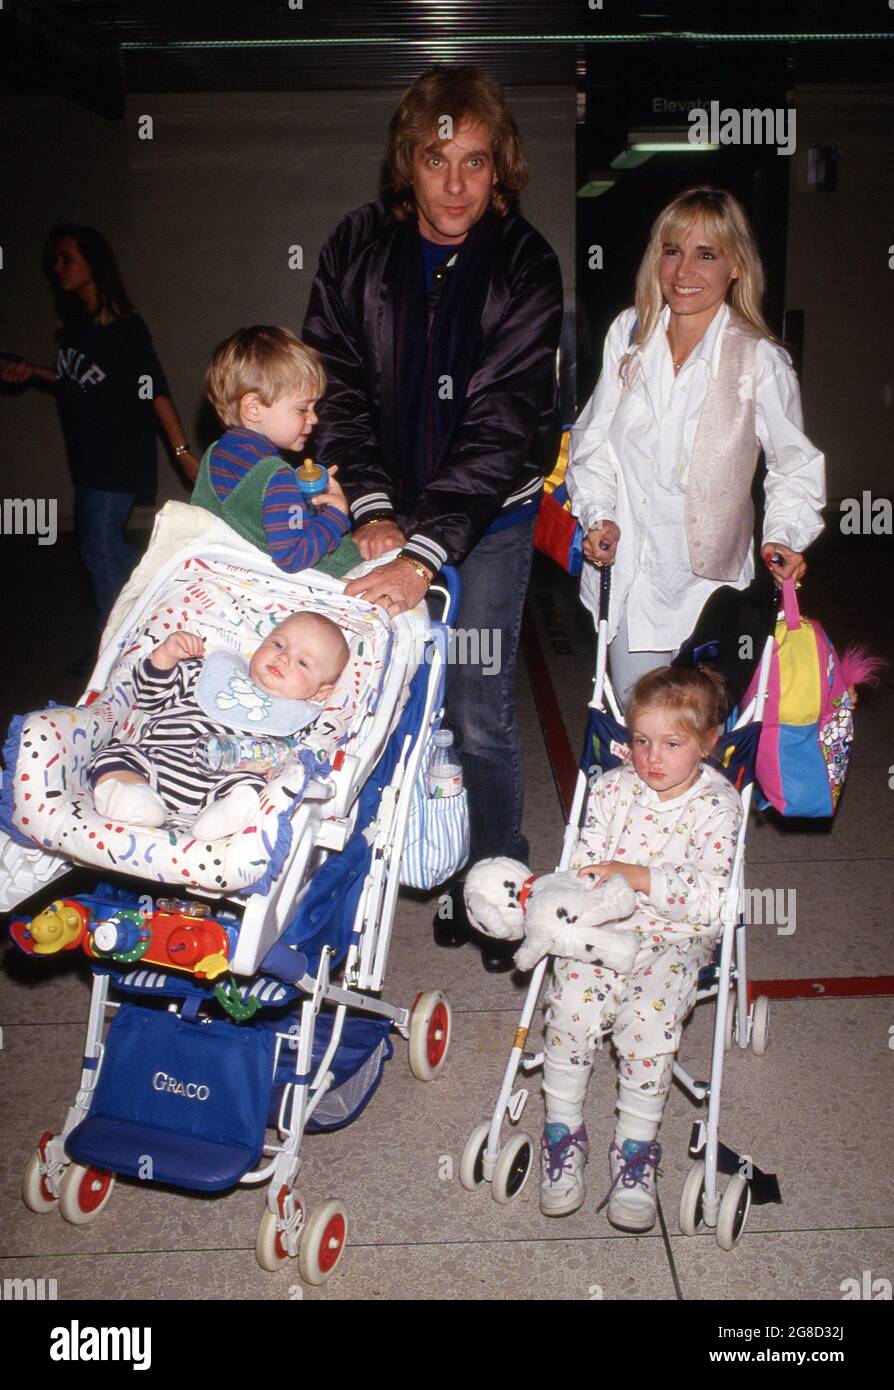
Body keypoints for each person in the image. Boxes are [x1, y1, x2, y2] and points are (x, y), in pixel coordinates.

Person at [303, 65, 563, 970]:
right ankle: (368, 875)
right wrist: (372, 509)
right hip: (380, 511)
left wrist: (423, 550)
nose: (456, 184)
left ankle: (495, 883)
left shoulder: (526, 265)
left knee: (475, 703)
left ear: (502, 170)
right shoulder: (354, 248)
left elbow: (499, 426)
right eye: (436, 159)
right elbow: (333, 390)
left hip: (484, 521)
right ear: (407, 165)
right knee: (364, 693)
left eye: (476, 162)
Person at [566, 186, 826, 710]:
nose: (684, 270)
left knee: (703, 743)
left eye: (706, 254)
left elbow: (794, 465)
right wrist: (598, 515)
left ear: (735, 266)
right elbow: (592, 442)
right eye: (672, 251)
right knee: (642, 736)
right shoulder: (629, 335)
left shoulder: (760, 360)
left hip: (709, 591)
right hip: (633, 578)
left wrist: (784, 536)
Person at [540, 665, 742, 1229]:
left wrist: (641, 876)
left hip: (675, 937)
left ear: (709, 742)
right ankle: (563, 1131)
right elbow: (582, 865)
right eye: (640, 740)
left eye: (672, 744)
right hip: (604, 927)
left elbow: (712, 903)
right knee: (571, 1004)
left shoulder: (717, 806)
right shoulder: (612, 788)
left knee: (647, 1027)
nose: (652, 758)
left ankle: (633, 1150)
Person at [0, 225, 199, 653]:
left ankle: (119, 653)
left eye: (67, 258)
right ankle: (165, 585)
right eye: (54, 259)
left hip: (117, 455)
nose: (58, 268)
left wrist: (182, 452)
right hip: (88, 456)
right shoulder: (77, 327)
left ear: (94, 264)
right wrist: (34, 372)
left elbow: (154, 389)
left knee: (99, 554)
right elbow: (81, 382)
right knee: (102, 551)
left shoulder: (125, 329)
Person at [87, 613, 350, 841]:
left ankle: (221, 820)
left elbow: (299, 760)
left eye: (303, 662)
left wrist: (279, 769)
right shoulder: (207, 671)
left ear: (320, 693)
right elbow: (148, 698)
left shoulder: (301, 720)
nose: (283, 658)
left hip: (221, 787)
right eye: (278, 644)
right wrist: (165, 657)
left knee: (250, 788)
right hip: (153, 764)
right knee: (115, 755)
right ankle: (131, 798)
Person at [191, 325, 355, 575]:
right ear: (254, 408)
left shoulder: (215, 454)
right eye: (302, 409)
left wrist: (305, 499)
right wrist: (335, 515)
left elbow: (251, 513)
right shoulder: (278, 478)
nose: (314, 419)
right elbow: (292, 555)